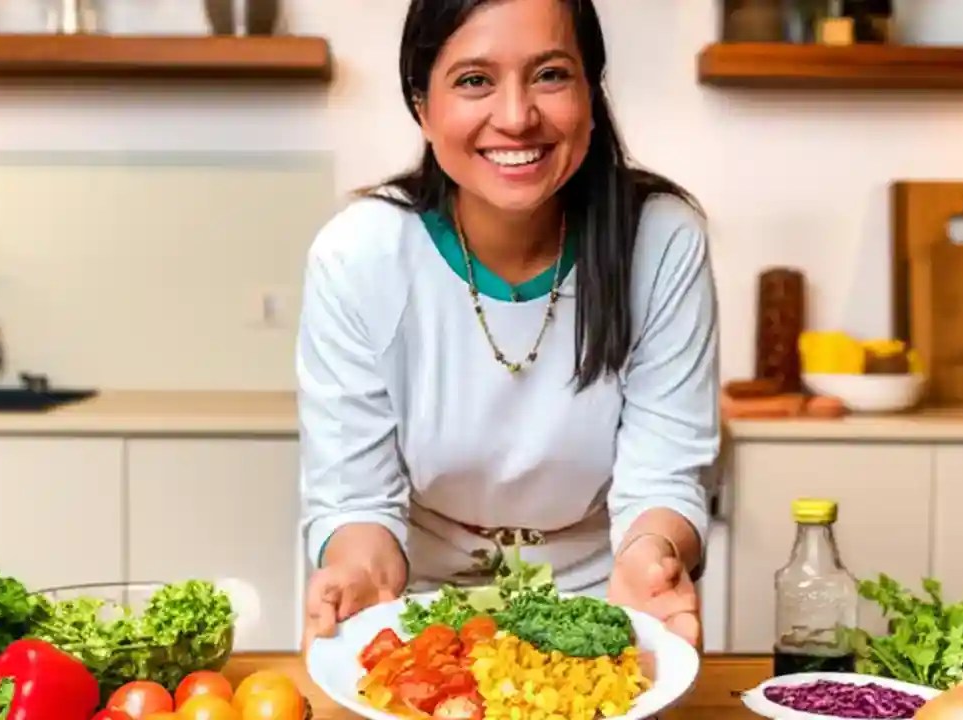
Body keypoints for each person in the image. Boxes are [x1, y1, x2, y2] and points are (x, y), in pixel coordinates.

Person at [297, 0, 720, 652]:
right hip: (419, 621)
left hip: (606, 617)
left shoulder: (661, 240)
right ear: (422, 105)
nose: (517, 117)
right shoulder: (359, 255)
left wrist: (652, 557)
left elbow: (663, 477)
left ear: (591, 89)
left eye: (551, 75)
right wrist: (356, 570)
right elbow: (355, 499)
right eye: (473, 81)